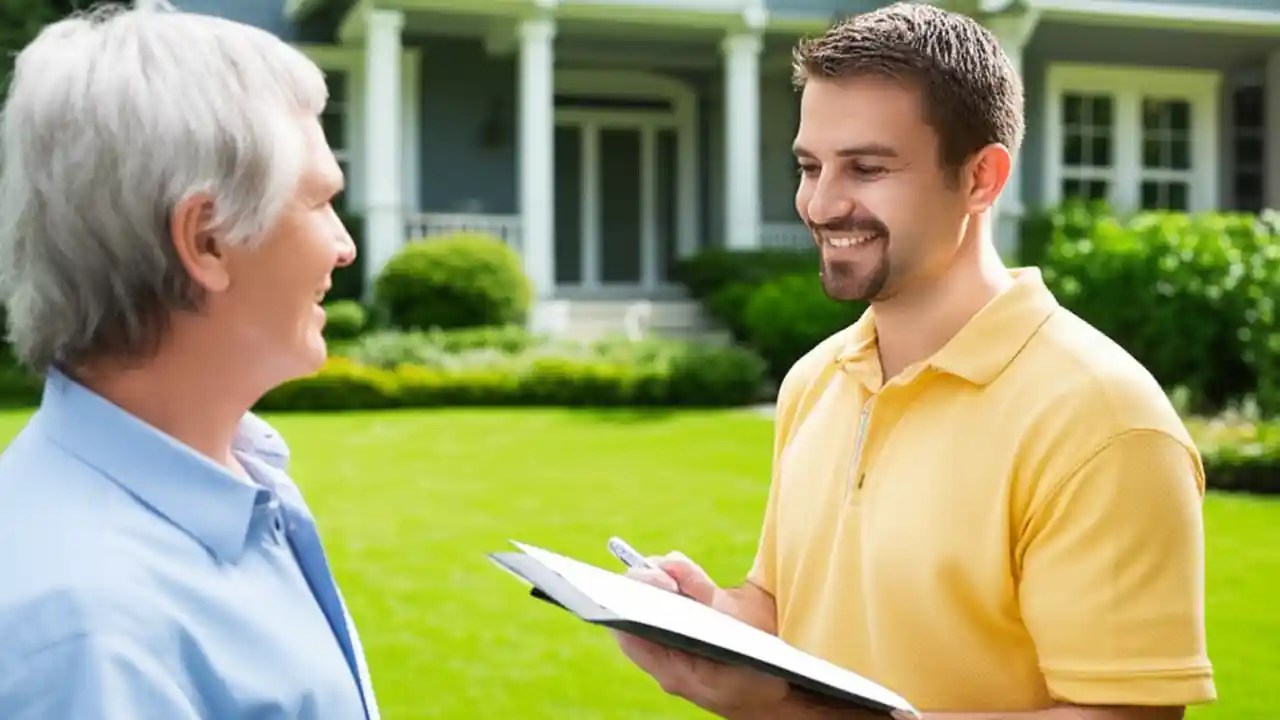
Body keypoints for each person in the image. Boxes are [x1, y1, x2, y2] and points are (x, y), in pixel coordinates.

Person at [613, 4, 1214, 719]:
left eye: (867, 168)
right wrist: (712, 621)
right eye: (810, 166)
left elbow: (1123, 714)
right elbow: (783, 607)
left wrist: (782, 712)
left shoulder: (1103, 421)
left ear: (982, 178)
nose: (821, 202)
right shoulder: (819, 378)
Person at [0, 5, 377, 719]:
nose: (343, 245)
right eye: (322, 201)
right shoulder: (91, 637)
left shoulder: (237, 483)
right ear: (206, 240)